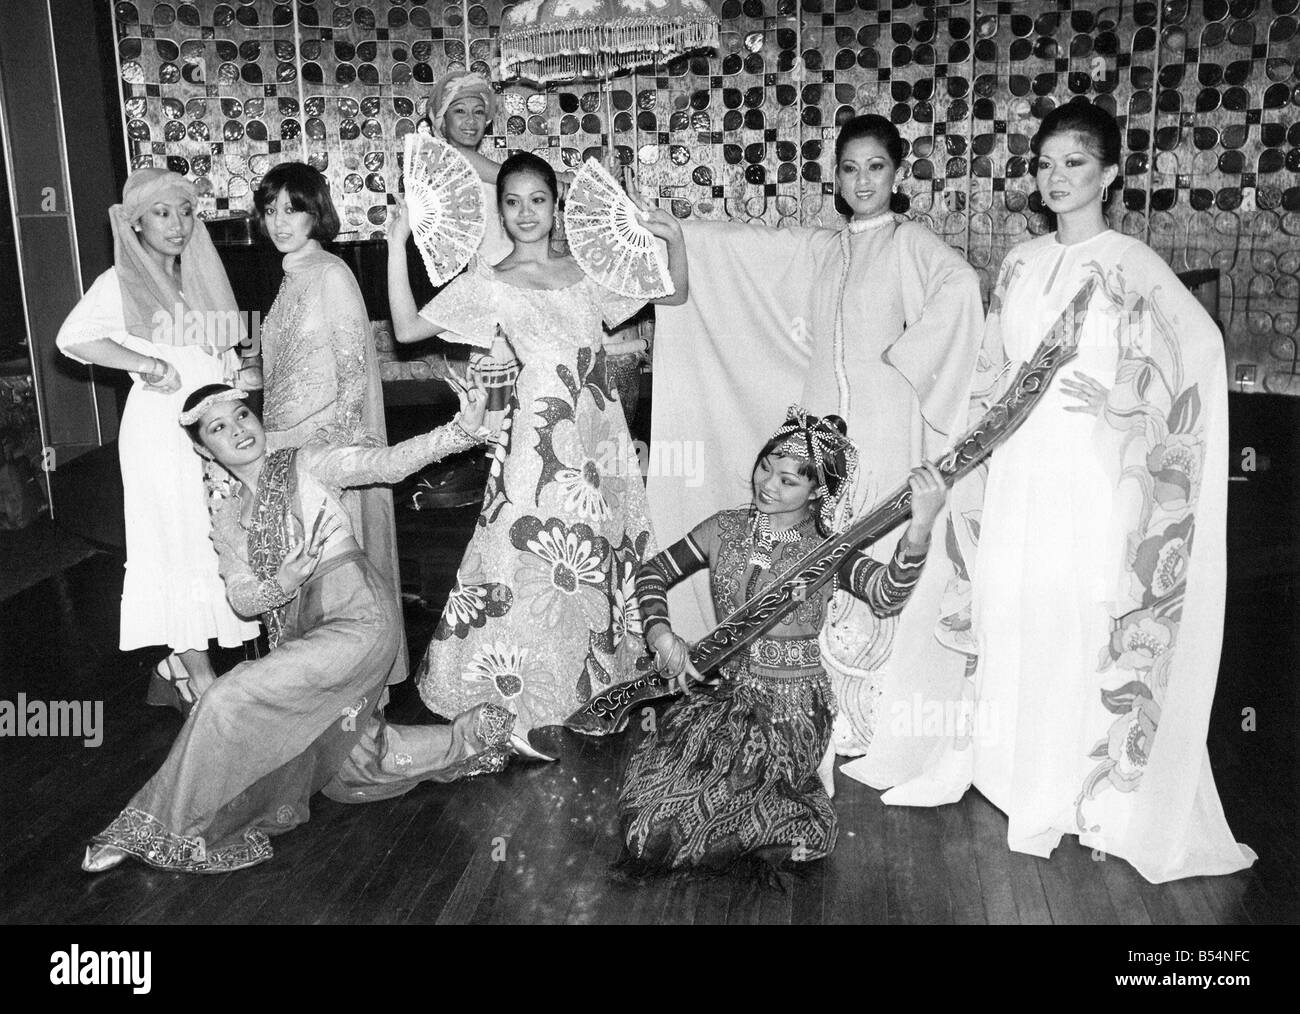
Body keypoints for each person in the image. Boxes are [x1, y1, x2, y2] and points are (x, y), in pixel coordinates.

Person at [883, 100, 1257, 883]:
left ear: (1109, 173)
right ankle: (1013, 770)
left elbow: (1197, 345)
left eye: (1075, 164)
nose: (1057, 178)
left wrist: (1127, 399)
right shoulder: (1019, 262)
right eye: (1046, 164)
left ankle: (1079, 785)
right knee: (1014, 602)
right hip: (1020, 467)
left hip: (1086, 471)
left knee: (1073, 610)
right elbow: (994, 368)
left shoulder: (1130, 262)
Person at [82, 378, 545, 874]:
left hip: (359, 617)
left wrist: (459, 431)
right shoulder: (228, 520)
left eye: (242, 415)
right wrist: (278, 584)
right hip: (305, 632)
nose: (238, 429)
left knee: (226, 695)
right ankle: (480, 733)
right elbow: (241, 596)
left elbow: (383, 463)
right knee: (354, 772)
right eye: (218, 428)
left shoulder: (306, 462)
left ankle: (151, 828)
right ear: (203, 449)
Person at [645, 115, 985, 787]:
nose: (863, 180)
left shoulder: (911, 242)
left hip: (885, 425)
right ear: (837, 176)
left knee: (872, 555)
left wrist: (902, 356)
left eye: (876, 167)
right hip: (823, 435)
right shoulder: (824, 247)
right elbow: (748, 249)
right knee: (812, 553)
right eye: (851, 168)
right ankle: (810, 697)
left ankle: (877, 717)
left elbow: (963, 289)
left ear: (897, 175)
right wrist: (682, 234)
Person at [387, 151, 689, 733]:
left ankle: (595, 683)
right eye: (512, 202)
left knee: (594, 557)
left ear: (556, 208)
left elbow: (671, 294)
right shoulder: (491, 282)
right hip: (534, 443)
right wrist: (397, 245)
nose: (526, 213)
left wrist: (672, 239)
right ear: (499, 211)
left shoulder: (587, 270)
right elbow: (406, 330)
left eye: (538, 201)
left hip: (600, 445)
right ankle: (523, 689)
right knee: (524, 553)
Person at [616, 409, 949, 877]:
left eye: (788, 480)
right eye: (765, 466)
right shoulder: (724, 528)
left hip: (793, 711)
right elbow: (653, 571)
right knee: (646, 822)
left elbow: (887, 595)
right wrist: (660, 633)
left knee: (702, 820)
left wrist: (920, 526)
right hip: (728, 696)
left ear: (816, 492)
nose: (767, 484)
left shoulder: (829, 551)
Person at [56, 168, 259, 709]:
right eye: (162, 214)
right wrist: (145, 363)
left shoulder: (197, 281)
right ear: (137, 224)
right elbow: (73, 338)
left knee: (213, 537)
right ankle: (200, 680)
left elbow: (222, 356)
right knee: (177, 543)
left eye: (186, 212)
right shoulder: (120, 282)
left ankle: (177, 665)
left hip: (210, 430)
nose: (177, 224)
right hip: (160, 434)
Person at [253, 162, 408, 686]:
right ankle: (313, 687)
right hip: (285, 442)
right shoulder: (292, 275)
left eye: (292, 208)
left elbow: (353, 369)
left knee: (334, 570)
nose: (280, 221)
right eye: (271, 210)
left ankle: (352, 688)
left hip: (321, 444)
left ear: (315, 212)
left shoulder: (331, 273)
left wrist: (336, 451)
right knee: (301, 568)